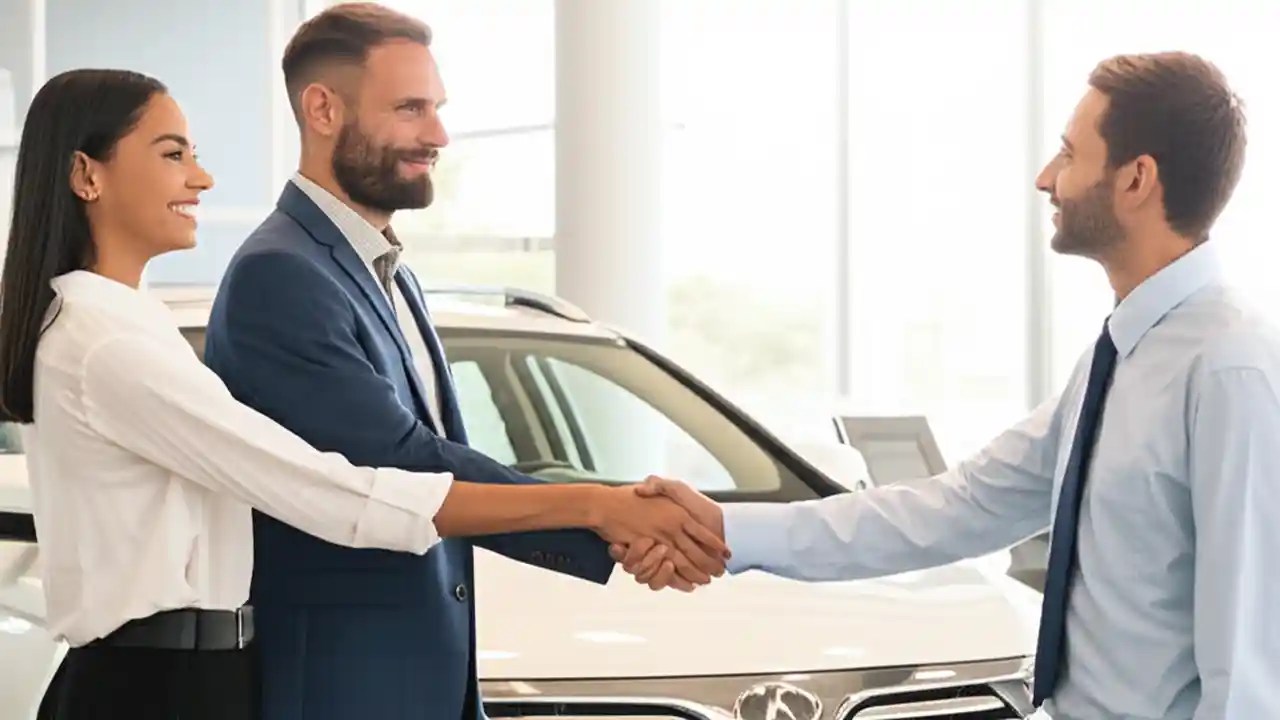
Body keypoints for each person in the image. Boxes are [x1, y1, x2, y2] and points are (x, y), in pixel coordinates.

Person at [0, 68, 726, 720]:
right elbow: (331, 492)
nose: (202, 179)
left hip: (189, 676)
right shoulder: (106, 344)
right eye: (172, 154)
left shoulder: (124, 325)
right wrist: (595, 504)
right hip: (155, 689)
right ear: (86, 175)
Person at [619, 51, 1280, 720]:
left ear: (1136, 180)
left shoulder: (1230, 368)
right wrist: (724, 528)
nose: (1047, 178)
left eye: (1070, 155)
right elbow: (949, 509)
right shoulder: (1116, 359)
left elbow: (1249, 673)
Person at [199, 4, 715, 719]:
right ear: (322, 108)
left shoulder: (389, 272)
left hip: (426, 679)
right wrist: (605, 511)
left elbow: (441, 459)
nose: (438, 135)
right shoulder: (280, 275)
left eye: (437, 108)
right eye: (410, 108)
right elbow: (403, 467)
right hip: (346, 688)